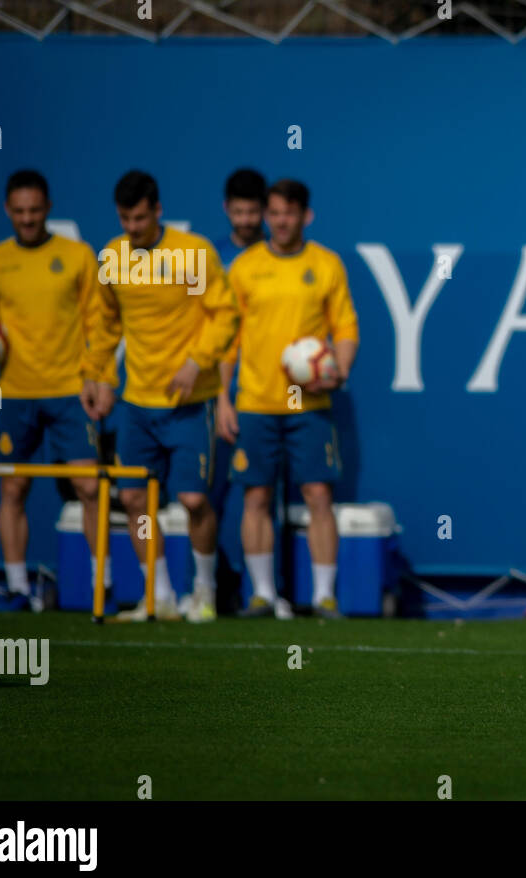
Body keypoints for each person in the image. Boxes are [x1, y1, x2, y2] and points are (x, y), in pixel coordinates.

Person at [0, 170, 115, 611]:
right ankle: (17, 587)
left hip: (71, 392)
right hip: (15, 392)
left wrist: (99, 379)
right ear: (8, 210)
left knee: (88, 486)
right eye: (19, 211)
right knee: (12, 490)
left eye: (35, 210)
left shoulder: (78, 256)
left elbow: (99, 325)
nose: (27, 219)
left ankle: (103, 583)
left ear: (48, 207)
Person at [88, 170, 239, 622]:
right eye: (124, 219)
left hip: (191, 403)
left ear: (157, 210)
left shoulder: (192, 254)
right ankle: (160, 597)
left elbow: (224, 315)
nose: (132, 228)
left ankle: (205, 592)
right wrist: (97, 378)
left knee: (193, 501)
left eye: (139, 218)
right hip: (137, 403)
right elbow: (104, 325)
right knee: (134, 500)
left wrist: (197, 360)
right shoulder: (113, 257)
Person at [217, 179, 358, 619]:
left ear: (305, 216)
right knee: (255, 497)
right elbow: (227, 341)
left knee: (318, 495)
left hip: (307, 403)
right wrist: (223, 398)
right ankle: (261, 594)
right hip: (256, 400)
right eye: (273, 213)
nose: (280, 221)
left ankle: (323, 597)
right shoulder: (243, 267)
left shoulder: (326, 264)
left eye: (289, 213)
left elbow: (346, 330)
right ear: (265, 215)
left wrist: (337, 371)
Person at [208, 168, 269, 615]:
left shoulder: (280, 256)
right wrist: (217, 395)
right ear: (226, 209)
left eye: (255, 211)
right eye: (240, 211)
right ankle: (210, 585)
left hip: (266, 396)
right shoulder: (212, 258)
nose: (247, 219)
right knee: (203, 495)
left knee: (261, 495)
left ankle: (264, 591)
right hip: (216, 393)